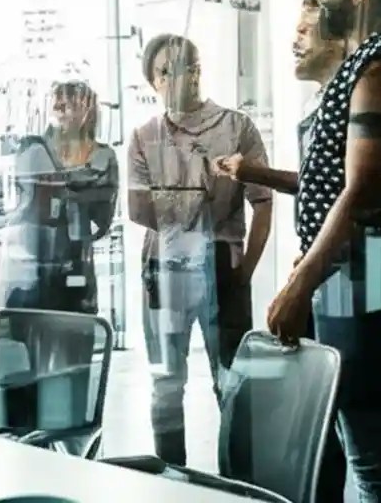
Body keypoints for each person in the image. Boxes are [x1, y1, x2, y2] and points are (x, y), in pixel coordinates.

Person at [216, 0, 381, 503]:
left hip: (370, 269)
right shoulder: (369, 65)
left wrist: (299, 284)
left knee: (369, 434)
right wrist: (254, 175)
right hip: (371, 267)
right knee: (359, 428)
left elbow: (362, 193)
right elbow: (331, 183)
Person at [126, 33, 273, 467]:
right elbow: (138, 209)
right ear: (153, 81)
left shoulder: (236, 126)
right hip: (163, 269)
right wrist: (194, 199)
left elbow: (263, 199)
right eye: (162, 72)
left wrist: (244, 272)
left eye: (182, 67)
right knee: (166, 381)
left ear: (197, 69)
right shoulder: (144, 135)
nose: (173, 79)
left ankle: (239, 481)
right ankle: (169, 478)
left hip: (221, 266)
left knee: (232, 379)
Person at [0, 80, 120, 314]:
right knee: (24, 339)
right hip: (25, 270)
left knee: (74, 336)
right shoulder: (29, 151)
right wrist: (12, 233)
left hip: (74, 266)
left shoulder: (103, 158)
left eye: (72, 106)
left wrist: (76, 206)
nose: (62, 112)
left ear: (89, 111)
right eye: (58, 106)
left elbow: (103, 220)